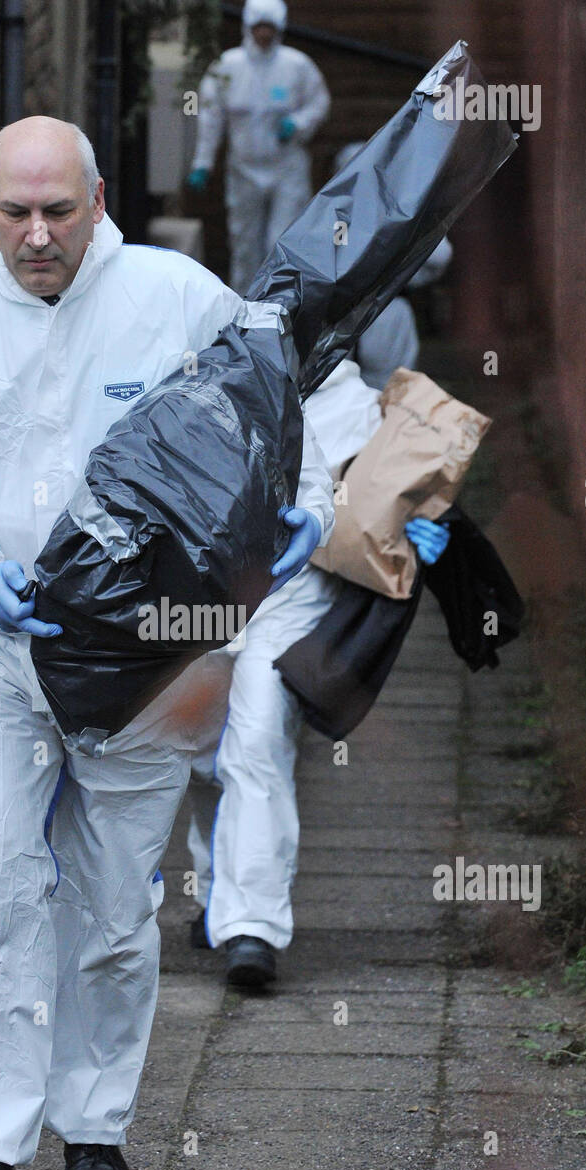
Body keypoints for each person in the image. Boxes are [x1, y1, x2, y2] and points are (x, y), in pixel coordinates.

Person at [0, 117, 330, 1170]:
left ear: (98, 197)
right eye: (12, 211)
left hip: (147, 659)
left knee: (116, 900)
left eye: (57, 211)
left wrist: (295, 507)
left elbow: (274, 400)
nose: (34, 235)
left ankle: (96, 1122)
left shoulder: (177, 299)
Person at [186, 359, 450, 988]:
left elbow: (384, 506)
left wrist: (415, 529)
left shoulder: (356, 409)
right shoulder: (211, 380)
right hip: (205, 595)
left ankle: (252, 928)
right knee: (197, 751)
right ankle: (216, 888)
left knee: (256, 744)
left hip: (294, 600)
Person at [187, 0, 331, 295]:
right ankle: (243, 306)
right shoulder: (227, 67)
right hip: (243, 169)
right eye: (259, 27)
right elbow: (210, 118)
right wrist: (203, 163)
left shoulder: (297, 66)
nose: (264, 34)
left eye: (270, 27)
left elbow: (319, 102)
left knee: (282, 240)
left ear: (279, 28)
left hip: (286, 167)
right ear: (248, 27)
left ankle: (280, 308)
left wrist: (298, 123)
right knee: (244, 243)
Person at [331, 142, 454, 391]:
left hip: (379, 313)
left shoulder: (399, 212)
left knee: (377, 397)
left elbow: (440, 256)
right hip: (342, 318)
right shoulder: (333, 216)